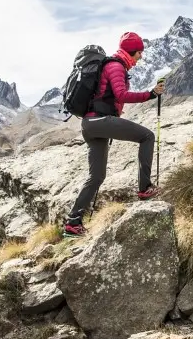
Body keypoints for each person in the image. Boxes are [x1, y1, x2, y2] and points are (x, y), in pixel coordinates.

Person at [63, 32, 165, 238]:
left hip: (90, 124)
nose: (140, 58)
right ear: (131, 52)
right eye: (139, 53)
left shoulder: (113, 66)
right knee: (147, 136)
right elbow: (121, 95)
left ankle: (73, 223)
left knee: (97, 176)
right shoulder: (115, 66)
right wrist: (151, 94)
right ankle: (145, 188)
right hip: (100, 121)